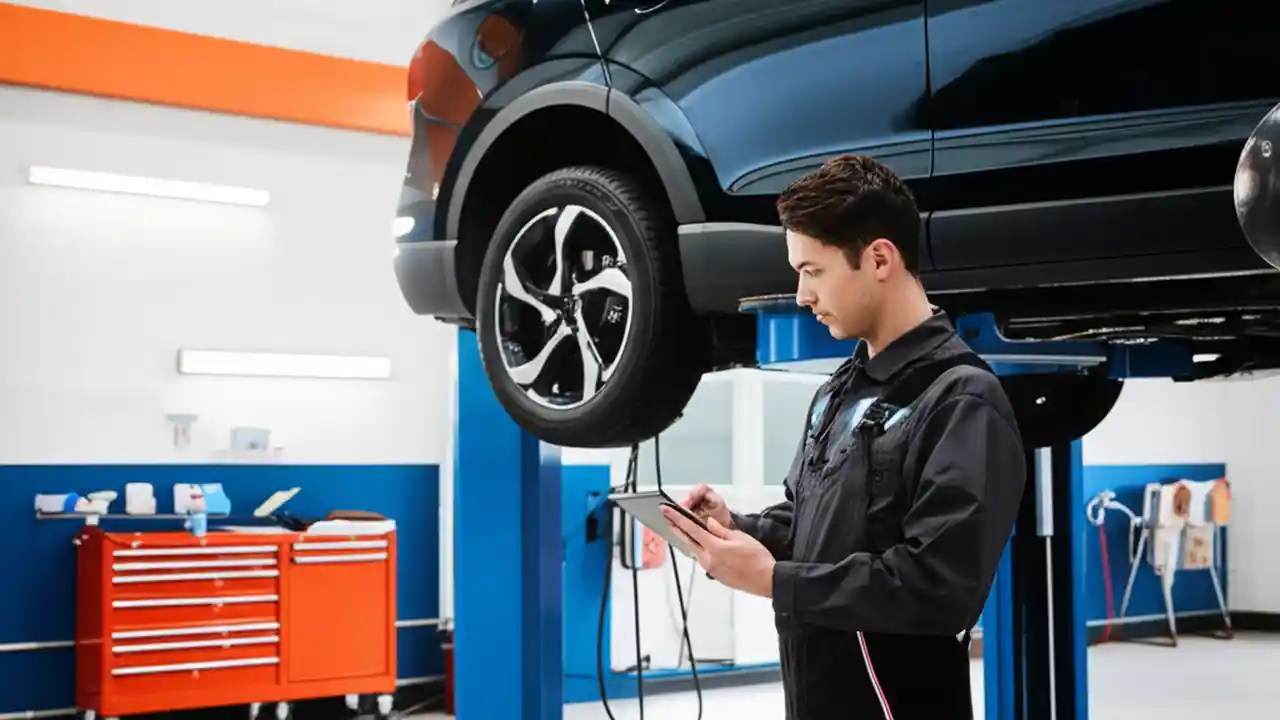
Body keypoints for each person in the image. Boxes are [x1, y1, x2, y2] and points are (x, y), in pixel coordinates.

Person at [660, 154, 1027, 720]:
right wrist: (740, 529)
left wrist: (775, 582)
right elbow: (810, 525)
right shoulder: (837, 392)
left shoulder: (961, 400)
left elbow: (940, 588)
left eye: (813, 270)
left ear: (879, 258)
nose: (802, 294)